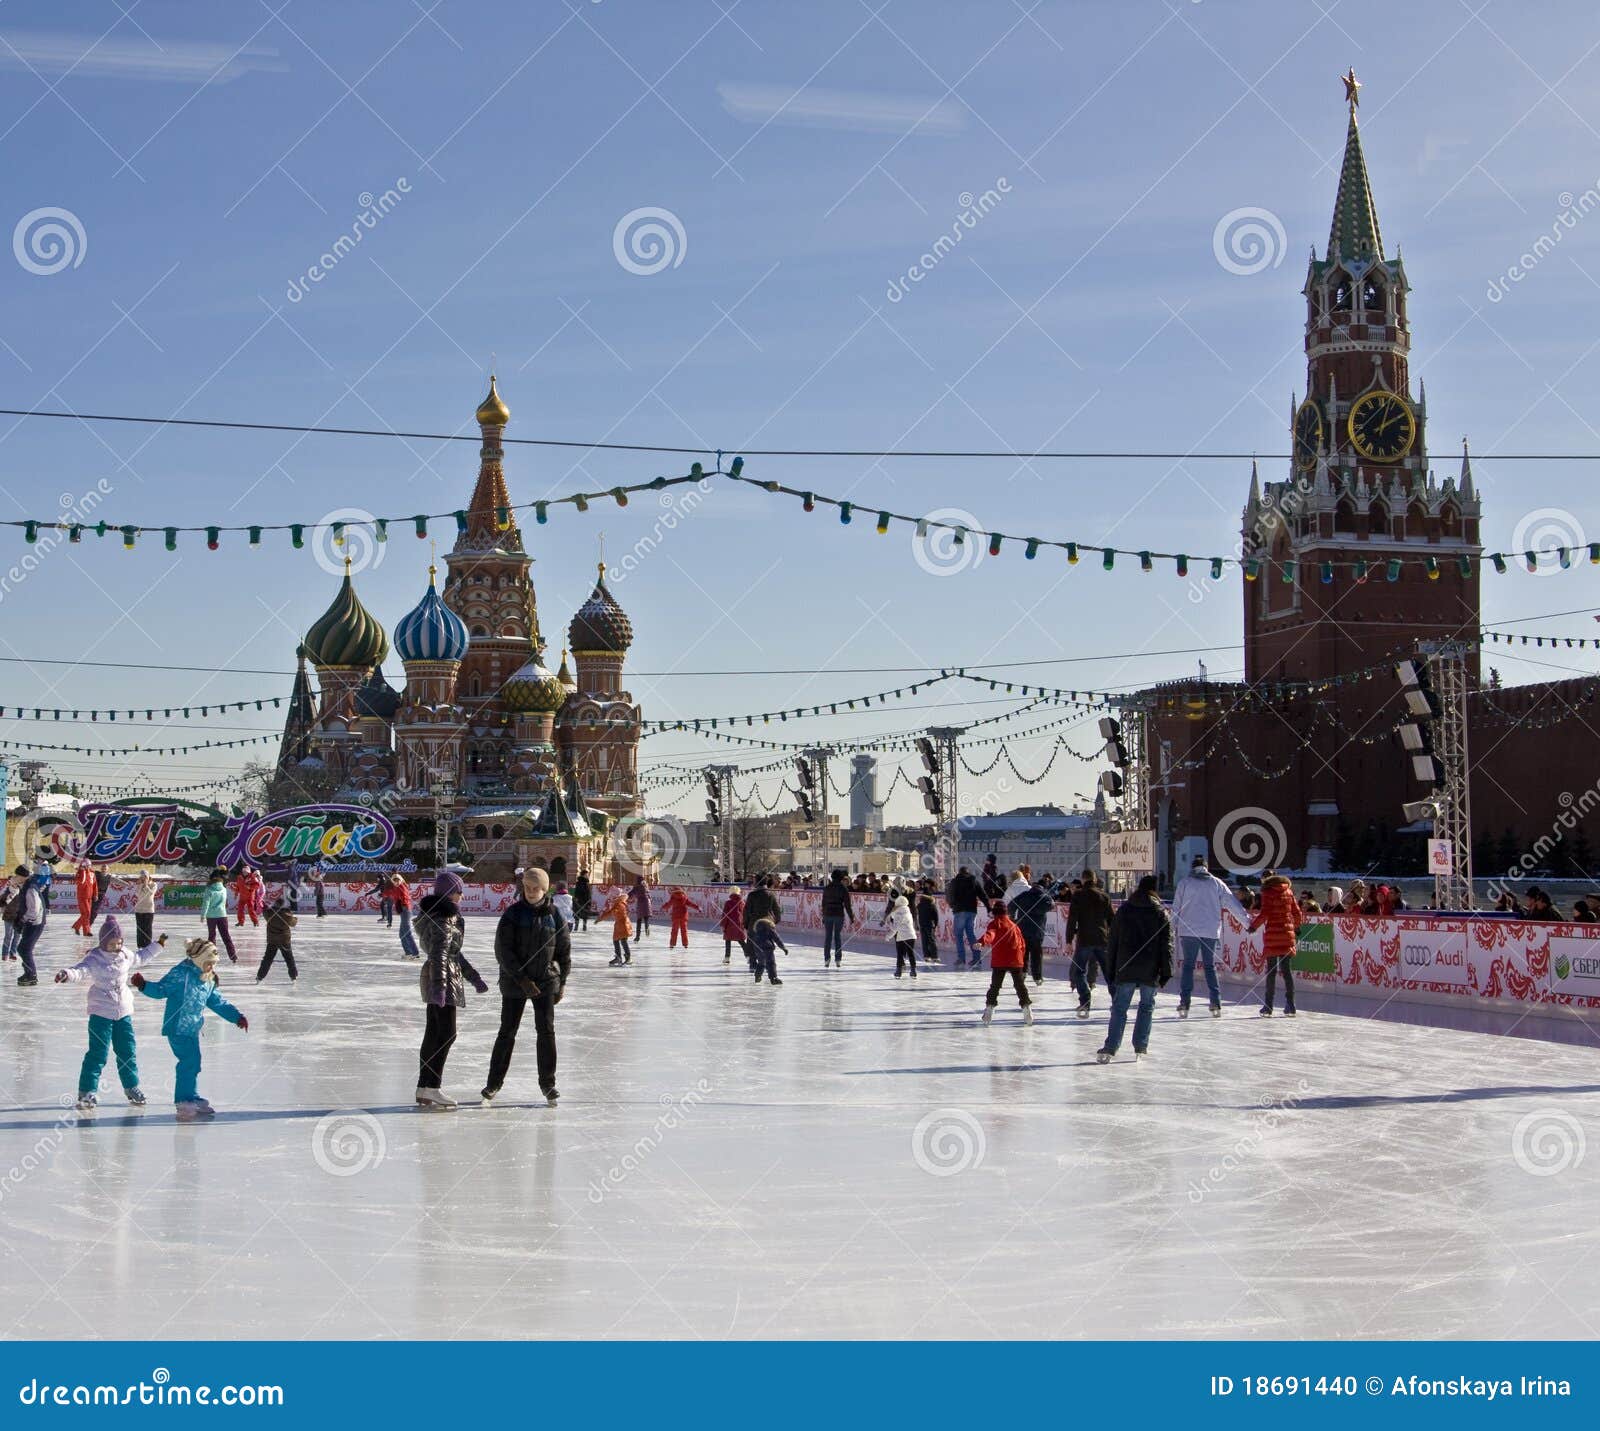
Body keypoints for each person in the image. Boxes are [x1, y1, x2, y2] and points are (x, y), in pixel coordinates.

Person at [55, 916, 167, 1110]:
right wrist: (67, 974)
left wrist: (158, 945)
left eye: (120, 942)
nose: (117, 946)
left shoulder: (125, 954)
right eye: (113, 943)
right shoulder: (95, 958)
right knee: (98, 1053)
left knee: (127, 1051)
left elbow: (141, 957)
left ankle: (131, 1087)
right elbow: (80, 970)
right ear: (103, 942)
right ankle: (87, 1091)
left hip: (123, 1011)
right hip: (101, 1012)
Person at [131, 937, 248, 1120]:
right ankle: (183, 1100)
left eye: (213, 964)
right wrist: (144, 985)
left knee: (194, 1062)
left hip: (191, 1028)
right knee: (189, 1062)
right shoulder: (181, 974)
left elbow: (217, 1002)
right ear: (200, 960)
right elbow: (161, 989)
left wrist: (236, 1017)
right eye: (209, 963)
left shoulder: (207, 979)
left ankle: (190, 1096)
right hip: (177, 1027)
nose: (211, 967)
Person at [483, 867, 571, 1107]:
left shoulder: (555, 916)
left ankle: (548, 1084)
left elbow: (564, 952)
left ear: (545, 889)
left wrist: (561, 983)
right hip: (514, 983)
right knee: (507, 1032)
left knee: (546, 1032)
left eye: (536, 888)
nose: (531, 892)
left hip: (545, 982)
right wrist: (521, 979)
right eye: (527, 888)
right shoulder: (513, 914)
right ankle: (493, 1083)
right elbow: (503, 950)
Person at [415, 870, 488, 1109]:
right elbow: (440, 954)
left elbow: (453, 953)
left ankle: (424, 1087)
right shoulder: (445, 918)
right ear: (450, 894)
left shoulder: (435, 915)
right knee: (446, 1034)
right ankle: (432, 1087)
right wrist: (440, 989)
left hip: (440, 977)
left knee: (434, 1033)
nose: (461, 897)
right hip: (442, 980)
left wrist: (473, 977)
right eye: (459, 892)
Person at [1095, 875, 1173, 1064]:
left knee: (1120, 1008)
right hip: (1150, 967)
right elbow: (1167, 945)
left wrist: (1111, 967)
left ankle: (1111, 1046)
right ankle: (1140, 1045)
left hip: (1126, 965)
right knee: (1146, 1007)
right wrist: (1166, 971)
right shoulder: (1160, 912)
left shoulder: (1124, 910)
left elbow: (1113, 941)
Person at [1169, 855, 1249, 1019]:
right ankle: (1215, 1002)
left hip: (1188, 931)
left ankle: (1185, 1002)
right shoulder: (1216, 883)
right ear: (1206, 868)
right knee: (1209, 966)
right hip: (1210, 931)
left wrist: (1170, 928)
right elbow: (1231, 903)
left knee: (1188, 967)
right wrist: (1248, 924)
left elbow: (1176, 908)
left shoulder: (1185, 883)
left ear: (1193, 867)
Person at [1250, 869, 1303, 1018]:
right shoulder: (1288, 891)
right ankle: (1291, 1005)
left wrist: (1253, 926)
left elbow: (1265, 913)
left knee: (1271, 972)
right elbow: (1297, 912)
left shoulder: (1267, 892)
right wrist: (1297, 926)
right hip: (1287, 935)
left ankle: (1268, 1006)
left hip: (1273, 935)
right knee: (1286, 971)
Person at [1065, 870, 1114, 1018]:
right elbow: (1112, 920)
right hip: (1102, 939)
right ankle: (1117, 1002)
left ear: (1083, 879)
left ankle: (1085, 1002)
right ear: (1094, 879)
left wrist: (1069, 940)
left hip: (1084, 939)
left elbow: (1072, 919)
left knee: (1079, 972)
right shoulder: (1104, 896)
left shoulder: (1078, 896)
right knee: (1108, 973)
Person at [978, 900, 1033, 1025]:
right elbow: (1022, 944)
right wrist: (1022, 960)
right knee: (1020, 986)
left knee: (995, 986)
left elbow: (990, 935)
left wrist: (982, 942)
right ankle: (1027, 1009)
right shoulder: (1014, 925)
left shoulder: (995, 924)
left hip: (1000, 960)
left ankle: (989, 1010)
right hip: (1015, 960)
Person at [1008, 875, 1055, 987]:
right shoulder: (1045, 897)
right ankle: (1037, 977)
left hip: (1022, 928)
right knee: (1036, 954)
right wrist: (1037, 911)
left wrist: (1014, 919)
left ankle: (1023, 973)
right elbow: (1051, 906)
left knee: (1023, 953)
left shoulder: (1024, 895)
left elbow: (1010, 906)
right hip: (1037, 930)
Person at [14, 865, 47, 985]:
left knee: (24, 949)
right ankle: (29, 973)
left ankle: (31, 974)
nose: (15, 877)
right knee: (23, 948)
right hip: (32, 922)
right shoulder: (26, 886)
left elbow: (34, 910)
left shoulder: (30, 889)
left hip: (35, 923)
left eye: (17, 875)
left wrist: (22, 920)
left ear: (23, 876)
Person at [256, 896, 299, 983]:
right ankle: (293, 976)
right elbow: (293, 923)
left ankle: (260, 977)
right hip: (284, 940)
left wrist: (266, 907)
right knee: (289, 959)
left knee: (267, 959)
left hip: (272, 940)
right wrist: (294, 917)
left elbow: (264, 912)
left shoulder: (269, 913)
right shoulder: (286, 914)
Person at [945, 865, 981, 968]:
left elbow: (949, 894)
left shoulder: (955, 881)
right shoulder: (974, 881)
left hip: (960, 910)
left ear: (959, 873)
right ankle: (977, 958)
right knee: (971, 934)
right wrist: (988, 907)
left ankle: (961, 958)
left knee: (959, 935)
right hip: (972, 910)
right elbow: (982, 893)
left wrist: (952, 905)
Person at [819, 868, 854, 967]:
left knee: (828, 937)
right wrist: (851, 917)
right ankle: (838, 959)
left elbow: (824, 903)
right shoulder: (843, 889)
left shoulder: (827, 888)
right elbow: (847, 905)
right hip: (838, 914)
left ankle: (827, 959)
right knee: (837, 937)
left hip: (828, 914)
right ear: (841, 878)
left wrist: (823, 915)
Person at [201, 868, 237, 962]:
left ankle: (212, 956)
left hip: (211, 916)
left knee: (212, 936)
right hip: (222, 915)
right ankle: (233, 955)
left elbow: (206, 903)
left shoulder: (208, 889)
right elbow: (224, 902)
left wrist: (203, 915)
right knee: (226, 936)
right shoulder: (224, 889)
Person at [886, 888, 918, 979]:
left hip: (902, 936)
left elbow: (896, 927)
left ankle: (898, 971)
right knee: (910, 953)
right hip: (911, 935)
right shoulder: (908, 911)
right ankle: (913, 970)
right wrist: (892, 914)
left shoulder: (898, 913)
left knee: (900, 953)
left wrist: (889, 935)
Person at [748, 915, 786, 986]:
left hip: (758, 949)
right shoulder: (770, 930)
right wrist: (783, 948)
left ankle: (757, 976)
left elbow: (752, 941)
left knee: (761, 963)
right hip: (767, 948)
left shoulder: (756, 932)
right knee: (771, 963)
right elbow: (777, 939)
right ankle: (773, 978)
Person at [600, 888, 634, 965]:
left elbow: (620, 913)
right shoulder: (616, 903)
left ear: (615, 896)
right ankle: (618, 957)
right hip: (619, 924)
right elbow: (611, 912)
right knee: (616, 940)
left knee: (623, 941)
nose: (610, 898)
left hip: (623, 925)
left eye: (611, 896)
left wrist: (609, 912)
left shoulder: (620, 904)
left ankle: (628, 958)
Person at [390, 873, 420, 959]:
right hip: (403, 911)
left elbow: (405, 897)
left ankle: (415, 952)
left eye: (398, 880)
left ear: (401, 880)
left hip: (405, 910)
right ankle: (408, 952)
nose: (396, 881)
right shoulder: (395, 888)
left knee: (406, 932)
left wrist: (402, 903)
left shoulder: (402, 886)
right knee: (402, 934)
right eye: (394, 880)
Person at [0, 867, 26, 962]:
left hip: (19, 916)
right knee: (8, 935)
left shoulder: (23, 890)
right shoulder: (7, 891)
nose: (15, 883)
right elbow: (1, 901)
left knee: (17, 936)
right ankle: (5, 954)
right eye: (12, 881)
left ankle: (13, 953)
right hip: (9, 915)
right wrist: (8, 896)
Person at [719, 888, 748, 964]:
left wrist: (723, 925)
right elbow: (744, 914)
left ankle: (727, 957)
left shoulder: (728, 902)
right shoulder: (742, 902)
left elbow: (725, 915)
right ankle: (748, 956)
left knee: (728, 941)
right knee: (741, 941)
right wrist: (745, 924)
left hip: (729, 924)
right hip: (739, 924)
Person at [915, 880, 940, 966]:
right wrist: (936, 924)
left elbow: (916, 914)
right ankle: (934, 956)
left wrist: (917, 923)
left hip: (922, 923)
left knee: (924, 940)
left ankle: (926, 956)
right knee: (931, 940)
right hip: (930, 923)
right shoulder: (931, 904)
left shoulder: (920, 905)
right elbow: (935, 915)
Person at [72, 862, 97, 937]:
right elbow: (80, 881)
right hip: (82, 897)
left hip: (90, 896)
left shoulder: (92, 874)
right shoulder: (80, 873)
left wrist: (95, 894)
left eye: (89, 865)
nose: (87, 867)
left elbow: (95, 885)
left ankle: (85, 931)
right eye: (85, 865)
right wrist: (82, 871)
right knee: (87, 913)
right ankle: (79, 927)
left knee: (86, 914)